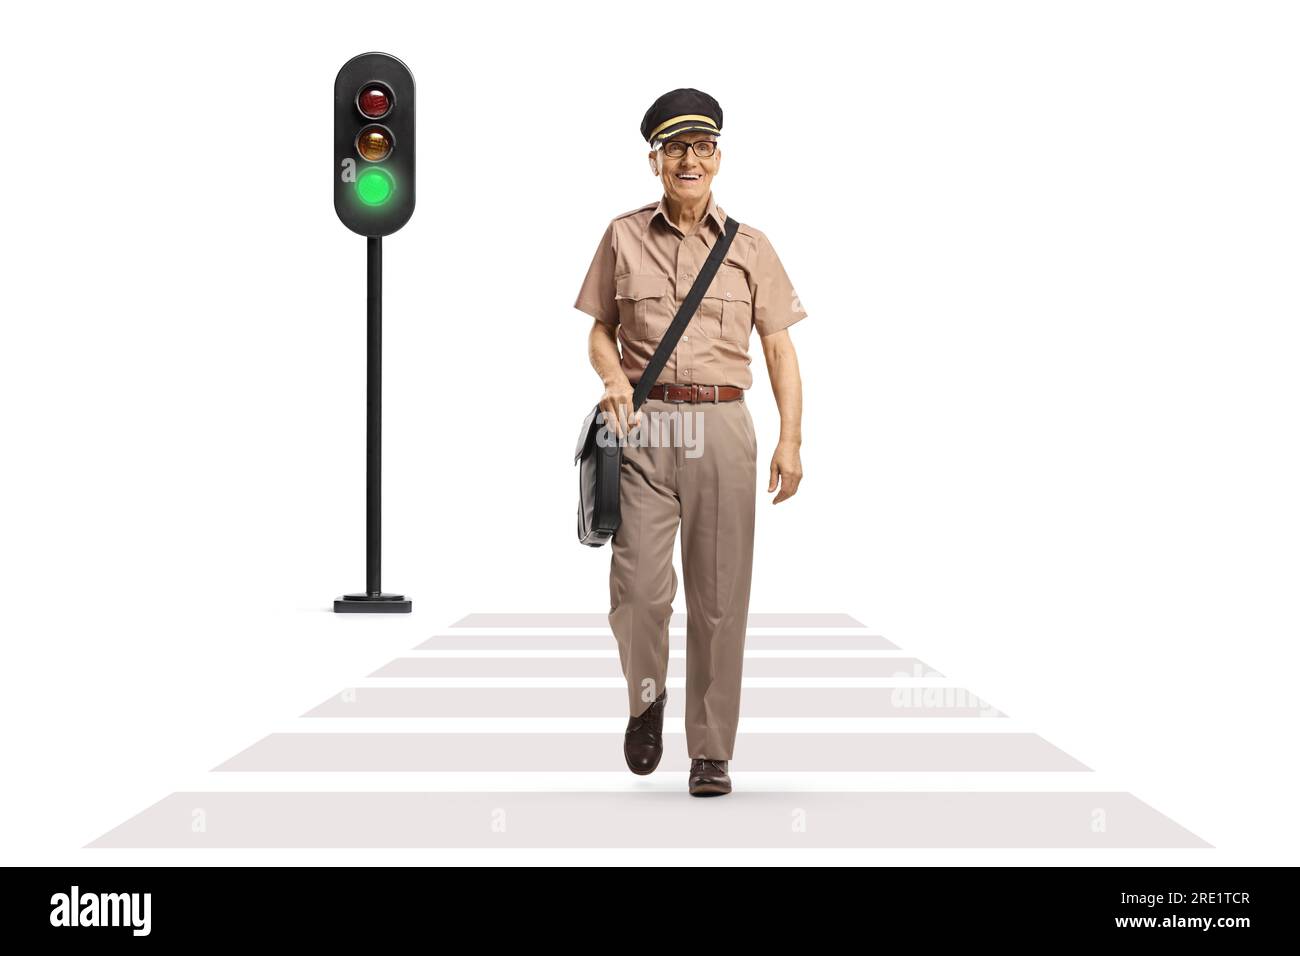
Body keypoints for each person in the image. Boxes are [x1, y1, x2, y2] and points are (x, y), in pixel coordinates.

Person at [574, 88, 807, 796]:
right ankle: (647, 699)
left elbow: (779, 350)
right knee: (639, 592)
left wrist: (790, 440)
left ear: (718, 158)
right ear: (655, 160)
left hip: (723, 427)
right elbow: (598, 329)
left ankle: (712, 750)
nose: (689, 160)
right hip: (645, 428)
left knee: (718, 599)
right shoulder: (622, 236)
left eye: (702, 147)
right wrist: (614, 380)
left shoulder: (752, 248)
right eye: (676, 148)